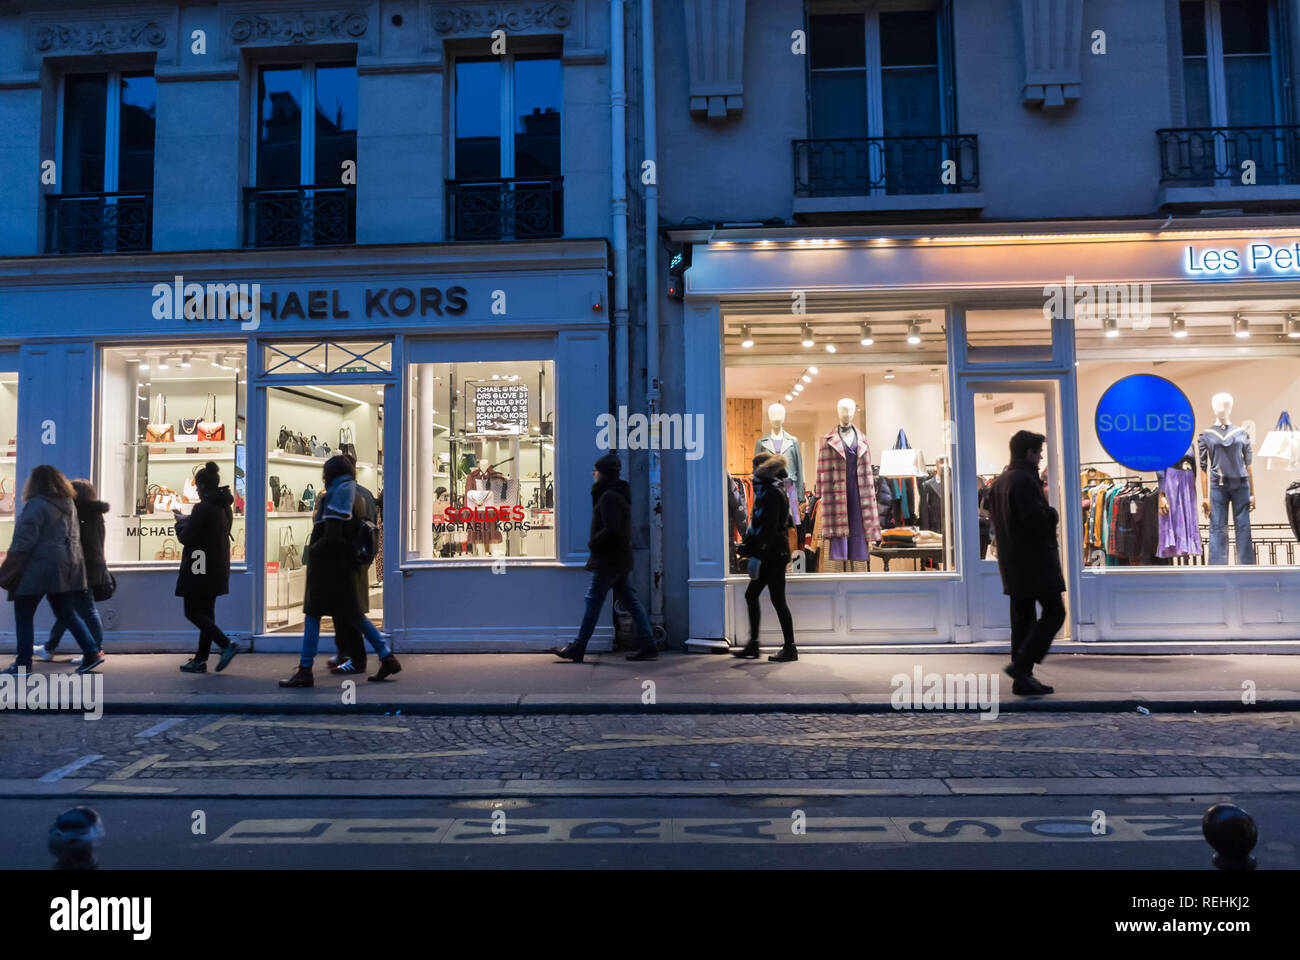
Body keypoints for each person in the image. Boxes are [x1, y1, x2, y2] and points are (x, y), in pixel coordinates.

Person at [280, 455, 400, 687]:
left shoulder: (339, 493)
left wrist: (313, 551)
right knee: (354, 615)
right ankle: (387, 657)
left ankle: (305, 669)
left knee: (313, 615)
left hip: (330, 567)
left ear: (330, 473)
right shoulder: (361, 493)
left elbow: (333, 535)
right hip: (350, 566)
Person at [551, 452, 657, 663]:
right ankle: (648, 644)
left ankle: (578, 647)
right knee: (630, 600)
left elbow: (612, 529)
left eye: (596, 471)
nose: (594, 474)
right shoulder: (614, 493)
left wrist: (593, 542)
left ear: (604, 474)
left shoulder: (609, 496)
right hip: (618, 559)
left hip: (609, 559)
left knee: (593, 601)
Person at [0, 465, 103, 674]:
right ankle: (92, 651)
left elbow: (23, 542)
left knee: (24, 614)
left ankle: (22, 664)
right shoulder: (68, 504)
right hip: (65, 569)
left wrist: (8, 565)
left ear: (35, 483)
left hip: (36, 569)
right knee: (66, 612)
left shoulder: (36, 505)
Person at [986, 430, 1065, 695]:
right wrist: (1053, 514)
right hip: (1035, 561)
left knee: (1022, 620)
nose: (1041, 457)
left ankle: (1023, 679)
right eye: (1039, 452)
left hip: (1012, 562)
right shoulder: (1023, 480)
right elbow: (1037, 521)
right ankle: (1021, 667)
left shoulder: (1001, 482)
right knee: (1055, 613)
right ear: (1029, 453)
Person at [34, 479, 111, 662]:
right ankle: (49, 647)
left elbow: (76, 543)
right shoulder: (94, 514)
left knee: (84, 610)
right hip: (91, 566)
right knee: (67, 609)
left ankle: (94, 650)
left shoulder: (79, 516)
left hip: (82, 567)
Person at [175, 462, 240, 673]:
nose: (195, 489)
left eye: (197, 485)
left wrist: (180, 523)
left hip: (198, 563)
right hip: (216, 564)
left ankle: (225, 645)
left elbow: (188, 538)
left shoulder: (202, 508)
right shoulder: (223, 506)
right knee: (206, 612)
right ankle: (200, 659)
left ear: (203, 485)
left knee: (192, 611)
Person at [733, 453, 797, 662]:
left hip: (773, 555)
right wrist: (749, 548)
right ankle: (757, 645)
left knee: (776, 600)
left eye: (754, 466)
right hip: (772, 554)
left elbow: (769, 528)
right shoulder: (768, 489)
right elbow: (760, 526)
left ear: (763, 468)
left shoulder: (771, 491)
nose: (752, 470)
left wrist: (757, 555)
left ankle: (788, 647)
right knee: (760, 597)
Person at [327, 464, 379, 675]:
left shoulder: (341, 494)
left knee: (346, 610)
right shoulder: (366, 493)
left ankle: (351, 655)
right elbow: (374, 523)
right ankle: (380, 654)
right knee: (351, 607)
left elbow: (337, 530)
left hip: (347, 556)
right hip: (362, 553)